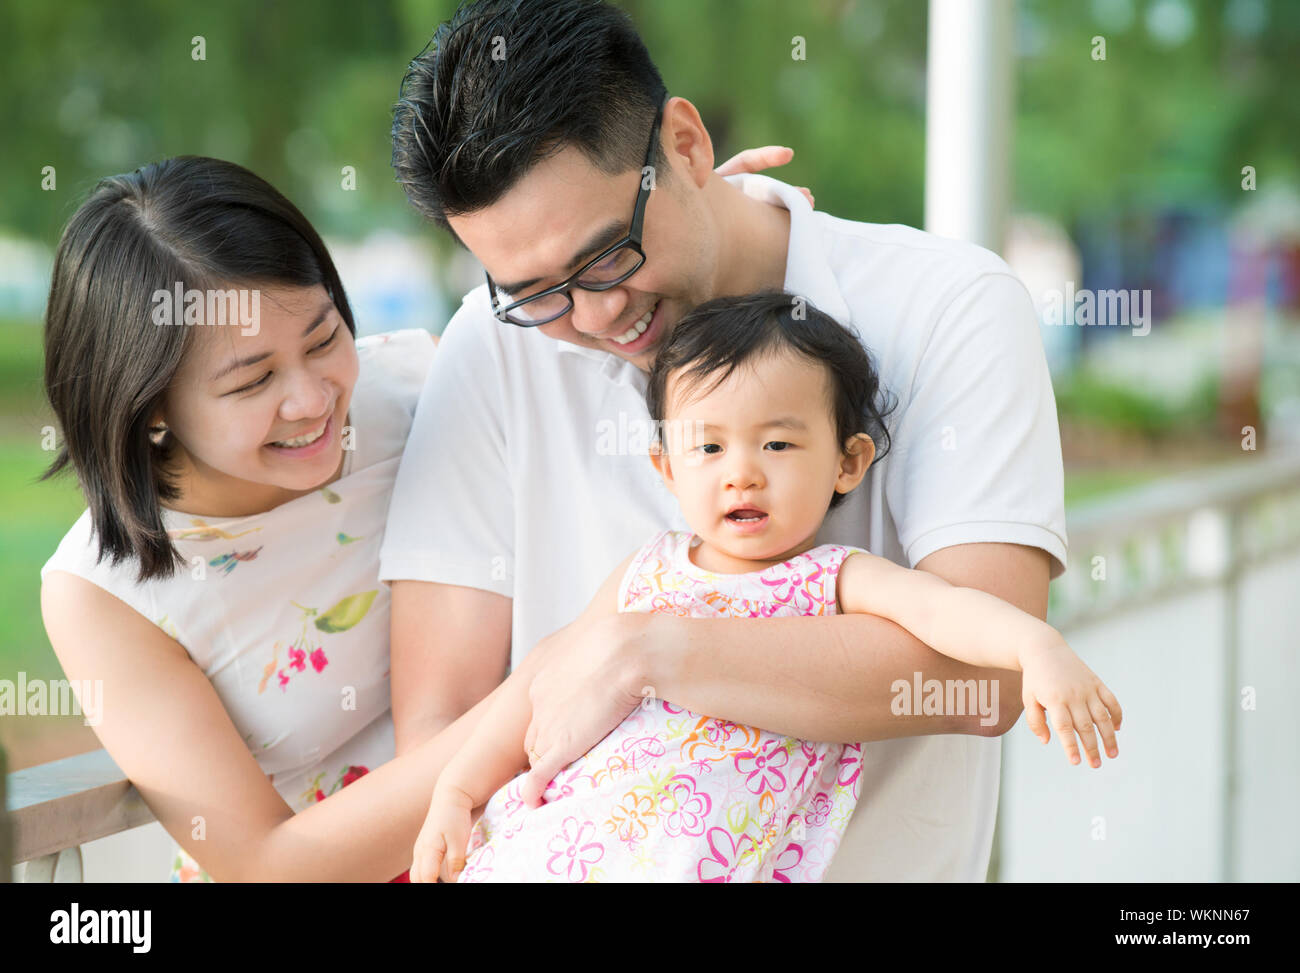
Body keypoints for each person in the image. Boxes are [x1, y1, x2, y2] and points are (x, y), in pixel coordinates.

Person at [384, 0, 1075, 882]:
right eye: (535, 290)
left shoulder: (947, 305)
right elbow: (441, 724)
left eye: (608, 256)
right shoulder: (494, 344)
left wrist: (645, 650)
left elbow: (986, 680)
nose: (595, 316)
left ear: (685, 145)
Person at [35, 148, 814, 882]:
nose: (311, 401)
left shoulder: (410, 382)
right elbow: (270, 865)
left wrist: (687, 226)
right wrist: (543, 687)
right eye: (252, 382)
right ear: (150, 411)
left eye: (322, 337)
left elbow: (578, 365)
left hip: (526, 840)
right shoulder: (105, 594)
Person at [410, 292, 1121, 883]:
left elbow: (946, 610)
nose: (741, 472)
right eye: (709, 446)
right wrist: (458, 789)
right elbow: (542, 677)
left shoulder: (832, 579)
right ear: (665, 466)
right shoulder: (646, 572)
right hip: (566, 840)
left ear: (848, 461)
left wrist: (1035, 645)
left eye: (777, 444)